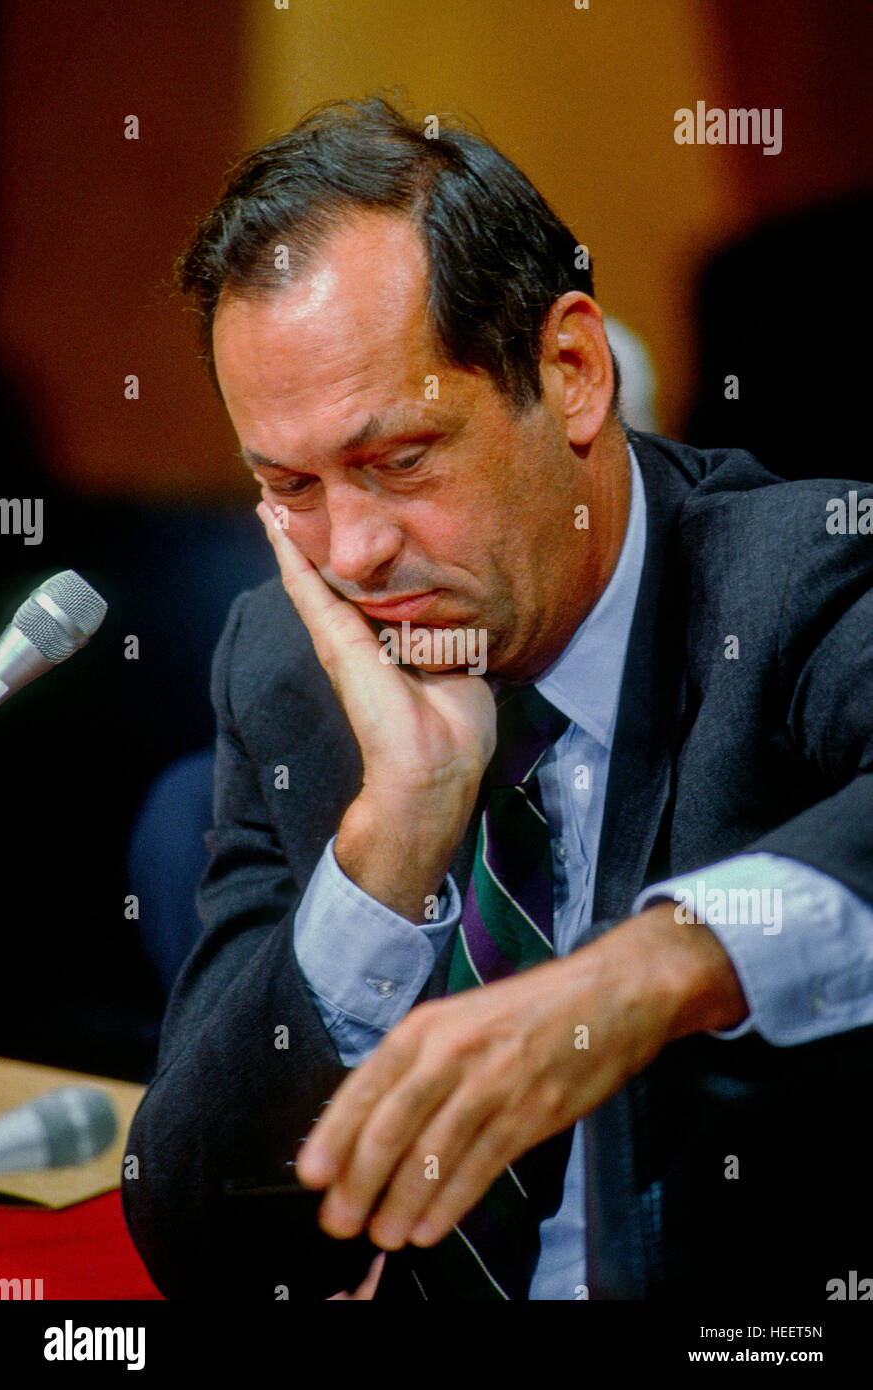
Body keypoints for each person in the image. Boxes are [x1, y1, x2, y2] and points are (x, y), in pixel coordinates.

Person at [123, 98, 873, 1301]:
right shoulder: (290, 663)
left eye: (401, 459)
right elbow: (203, 1236)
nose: (355, 551)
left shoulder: (800, 577)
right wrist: (389, 843)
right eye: (292, 487)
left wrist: (644, 974)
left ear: (571, 373)